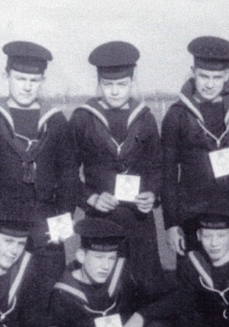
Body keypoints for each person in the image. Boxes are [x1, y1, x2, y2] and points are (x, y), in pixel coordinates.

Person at [0, 41, 73, 327]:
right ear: (7, 76)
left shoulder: (54, 121)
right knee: (6, 305)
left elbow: (68, 175)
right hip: (5, 228)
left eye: (33, 80)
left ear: (42, 80)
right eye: (20, 79)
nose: (27, 87)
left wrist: (61, 220)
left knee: (50, 305)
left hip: (46, 230)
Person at [66, 41, 163, 279]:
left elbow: (157, 167)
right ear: (99, 83)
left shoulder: (145, 118)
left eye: (122, 84)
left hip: (139, 221)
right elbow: (66, 172)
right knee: (104, 286)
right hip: (100, 221)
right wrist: (91, 198)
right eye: (108, 85)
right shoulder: (83, 119)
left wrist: (152, 194)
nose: (115, 91)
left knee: (145, 285)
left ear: (132, 82)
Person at [161, 36, 229, 256]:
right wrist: (171, 224)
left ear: (227, 76)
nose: (210, 84)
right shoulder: (176, 115)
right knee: (196, 281)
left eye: (217, 77)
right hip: (194, 214)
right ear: (193, 72)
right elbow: (168, 175)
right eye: (204, 76)